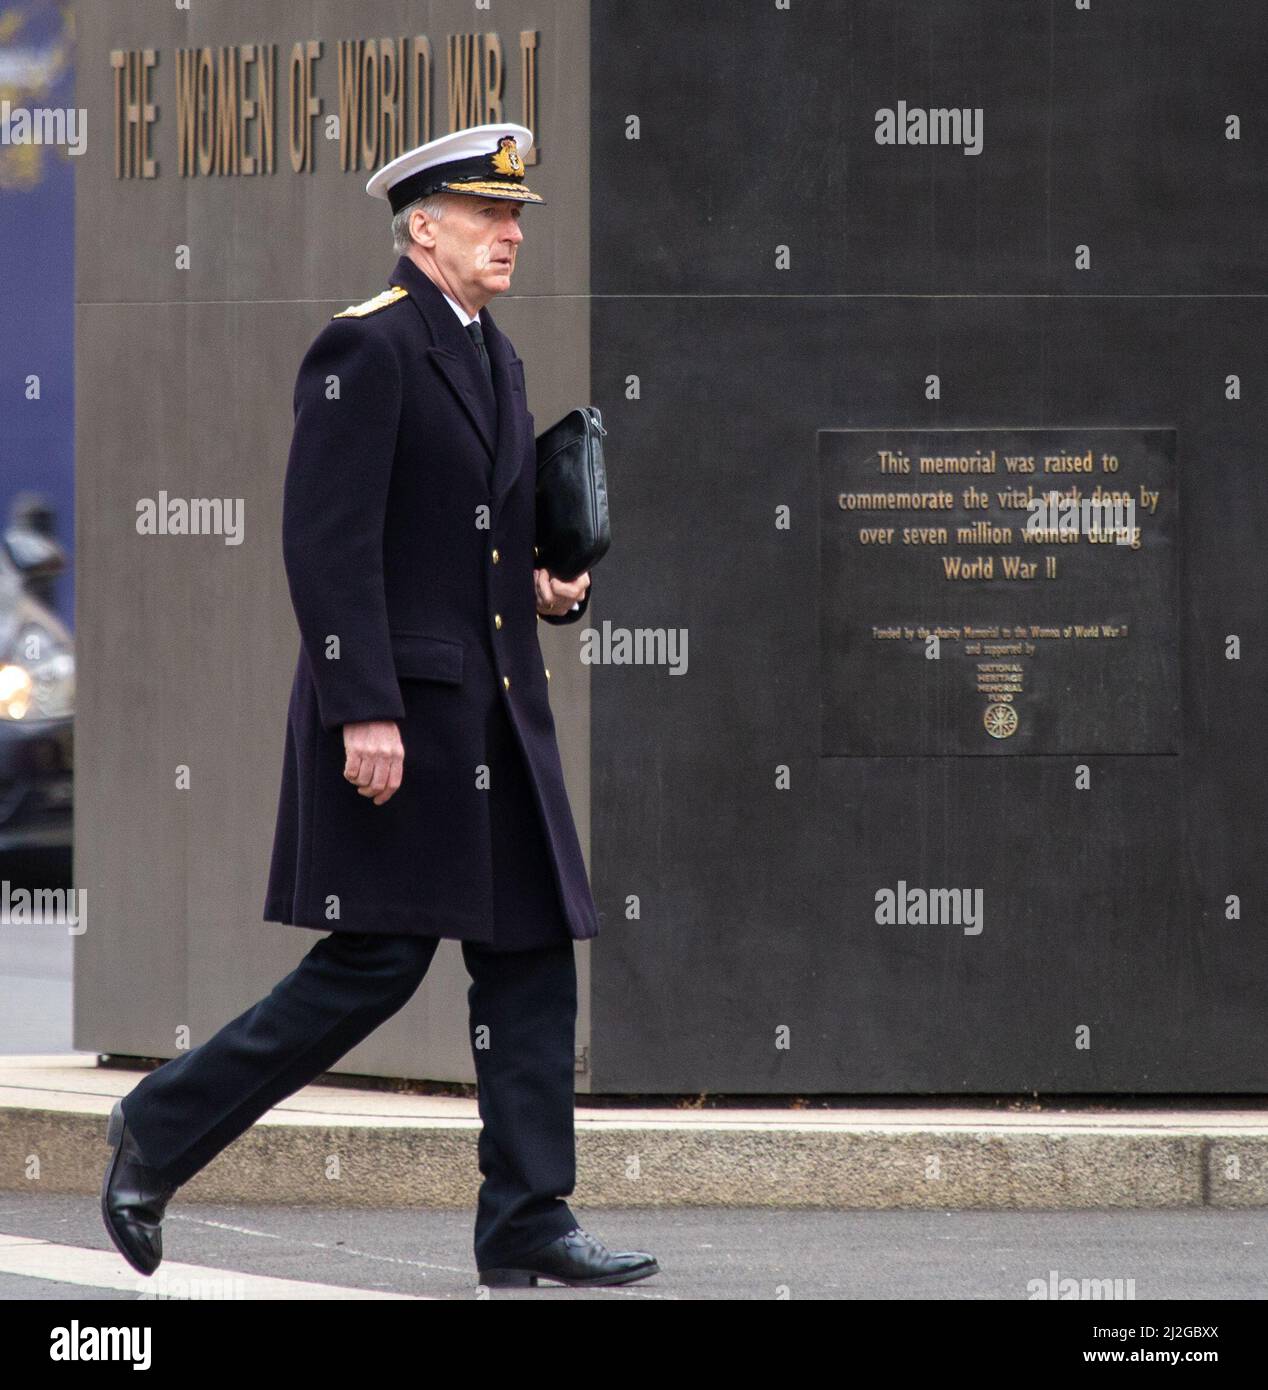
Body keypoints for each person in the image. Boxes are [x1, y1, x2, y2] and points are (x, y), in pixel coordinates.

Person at [101, 123, 659, 1290]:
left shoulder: (491, 354)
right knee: (376, 962)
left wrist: (545, 583)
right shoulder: (368, 348)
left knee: (528, 958)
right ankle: (158, 1125)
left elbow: (468, 544)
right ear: (422, 227)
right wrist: (363, 708)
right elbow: (327, 545)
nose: (511, 232)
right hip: (403, 720)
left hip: (495, 720)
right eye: (487, 215)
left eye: (516, 217)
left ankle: (525, 1217)